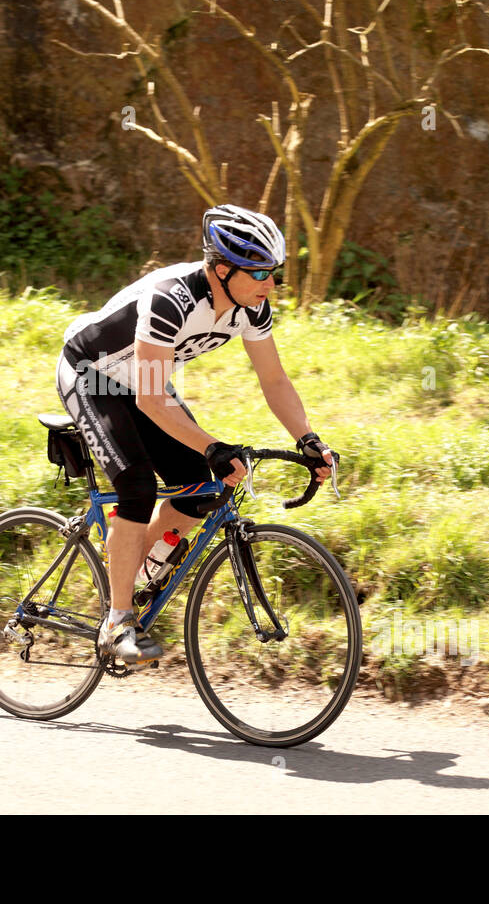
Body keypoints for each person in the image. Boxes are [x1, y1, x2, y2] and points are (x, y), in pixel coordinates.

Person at [57, 203, 335, 664]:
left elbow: (275, 381)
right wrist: (211, 444)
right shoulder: (171, 298)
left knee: (206, 486)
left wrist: (308, 439)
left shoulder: (251, 306)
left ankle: (135, 569)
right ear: (222, 269)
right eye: (262, 272)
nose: (273, 285)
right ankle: (117, 621)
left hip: (145, 383)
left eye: (276, 272)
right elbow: (148, 399)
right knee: (136, 485)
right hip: (92, 376)